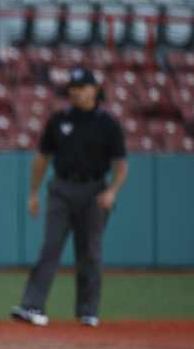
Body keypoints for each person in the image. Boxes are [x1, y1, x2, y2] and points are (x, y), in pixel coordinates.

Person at [11, 67, 128, 328]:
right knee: (50, 247)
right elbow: (42, 158)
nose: (77, 92)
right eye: (73, 88)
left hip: (94, 190)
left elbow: (121, 164)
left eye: (82, 87)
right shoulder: (59, 120)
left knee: (90, 251)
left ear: (95, 90)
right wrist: (33, 192)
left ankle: (88, 310)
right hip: (61, 189)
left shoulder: (108, 124)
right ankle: (32, 306)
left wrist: (112, 191)